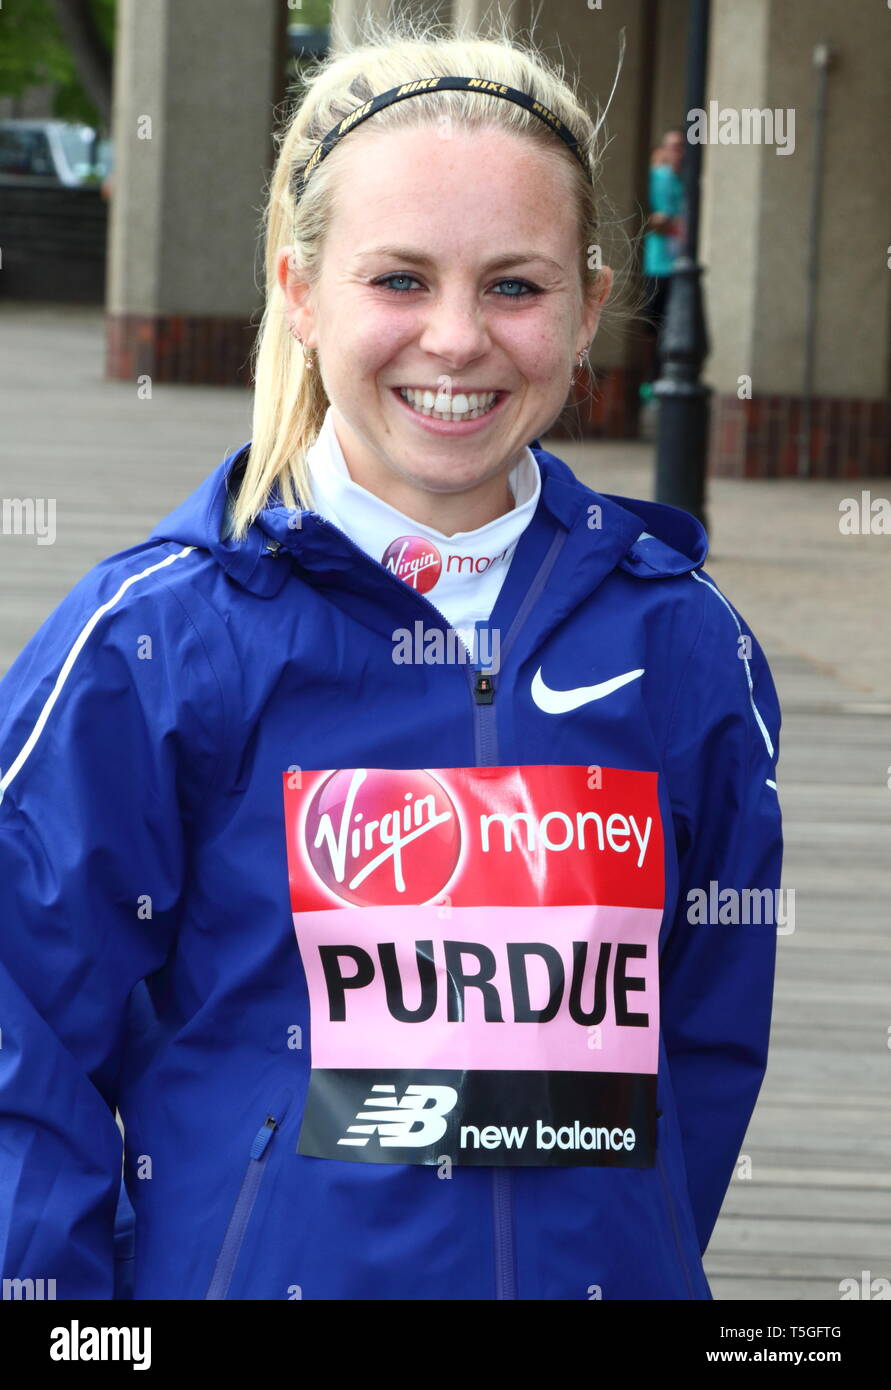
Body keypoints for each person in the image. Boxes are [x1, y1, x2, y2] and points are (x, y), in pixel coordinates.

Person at [0, 19, 782, 1301]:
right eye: (400, 280)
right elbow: (21, 1038)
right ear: (300, 292)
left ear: (589, 309)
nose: (459, 340)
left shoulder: (683, 647)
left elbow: (700, 1043)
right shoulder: (150, 643)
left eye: (515, 286)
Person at [642, 128, 686, 382]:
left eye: (680, 147)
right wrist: (667, 222)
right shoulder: (656, 177)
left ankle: (665, 378)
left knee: (675, 327)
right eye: (671, 146)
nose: (676, 152)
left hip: (682, 268)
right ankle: (649, 380)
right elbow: (643, 216)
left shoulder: (693, 181)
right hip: (656, 264)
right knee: (651, 325)